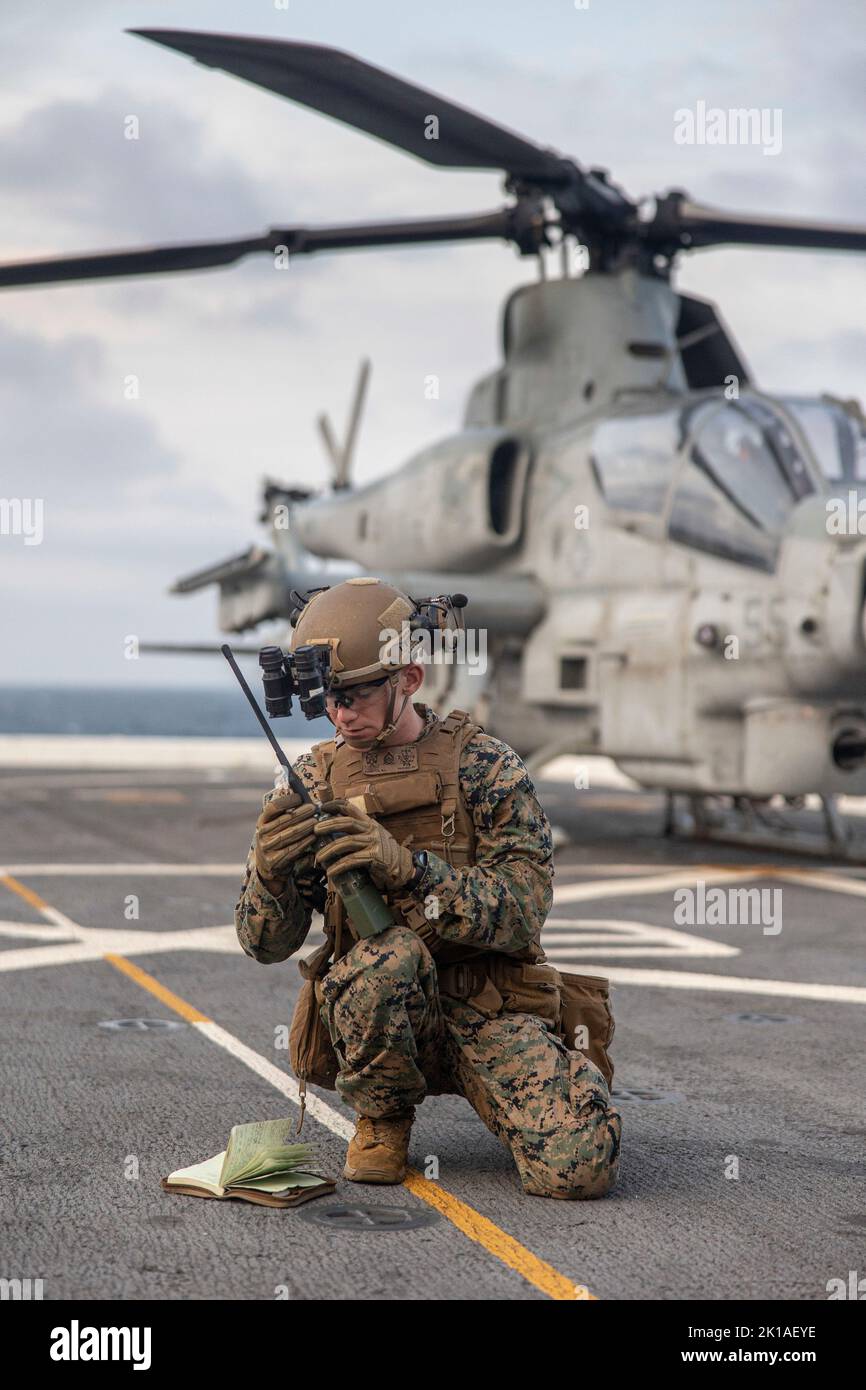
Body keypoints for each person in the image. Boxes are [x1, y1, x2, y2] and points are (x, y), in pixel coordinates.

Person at [234, 576, 621, 1199]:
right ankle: (383, 1117)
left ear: (408, 680)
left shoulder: (485, 766)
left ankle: (569, 1079)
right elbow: (264, 945)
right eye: (329, 697)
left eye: (358, 694)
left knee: (580, 1169)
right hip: (378, 1014)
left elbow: (525, 910)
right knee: (387, 958)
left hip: (488, 1003)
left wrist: (414, 872)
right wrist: (271, 874)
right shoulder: (311, 777)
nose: (341, 713)